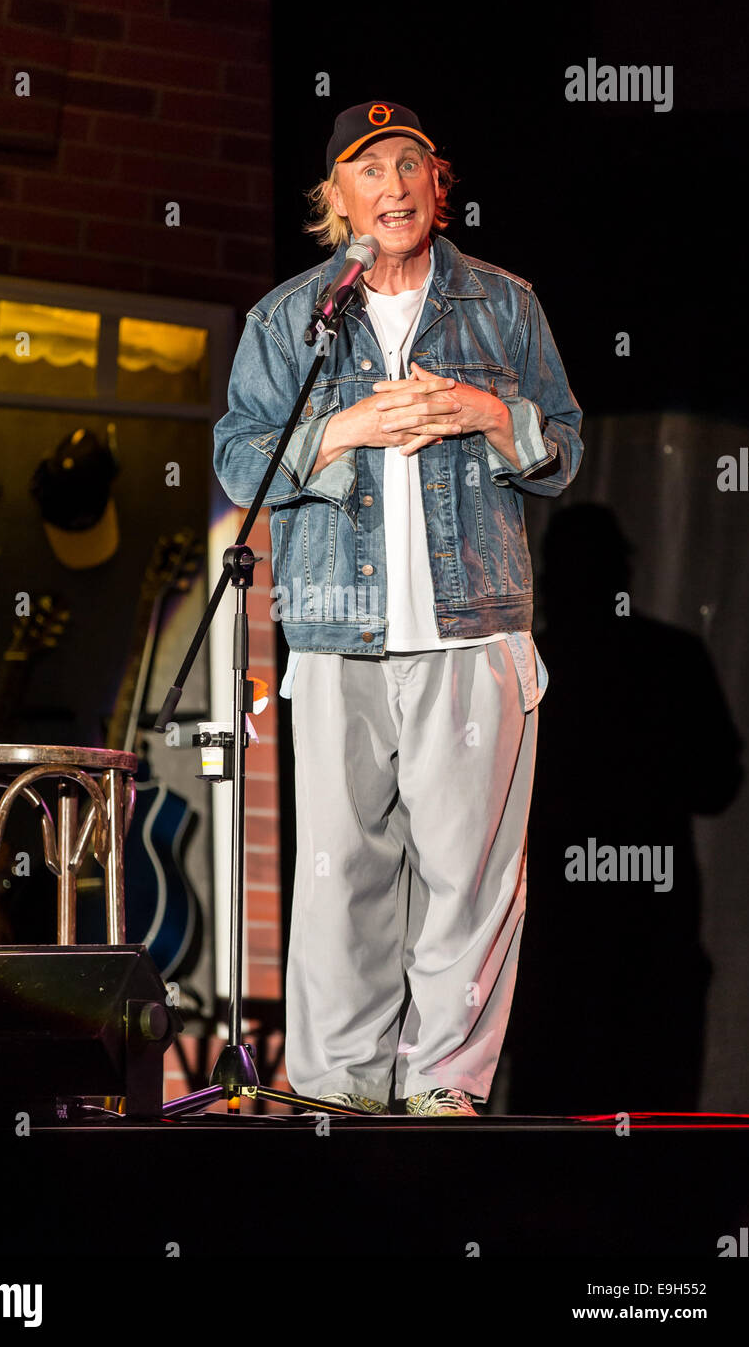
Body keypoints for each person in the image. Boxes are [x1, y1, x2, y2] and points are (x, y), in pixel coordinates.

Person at [213, 100, 583, 1116]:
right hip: (336, 633)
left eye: (410, 165)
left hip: (477, 633)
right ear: (334, 200)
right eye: (367, 170)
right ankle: (334, 1097)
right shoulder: (291, 318)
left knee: (466, 883)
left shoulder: (501, 304)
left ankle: (441, 1096)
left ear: (438, 184)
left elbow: (561, 448)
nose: (392, 186)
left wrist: (485, 415)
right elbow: (239, 455)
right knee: (340, 881)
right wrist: (346, 429)